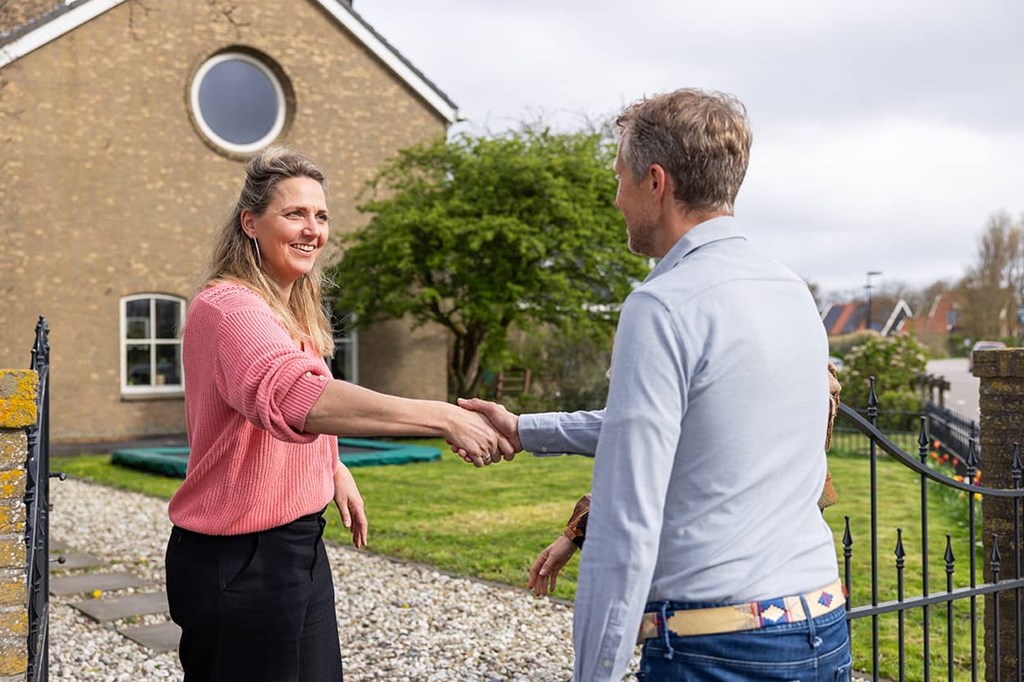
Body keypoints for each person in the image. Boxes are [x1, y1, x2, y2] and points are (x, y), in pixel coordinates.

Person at [461, 89, 851, 681]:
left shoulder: (663, 305)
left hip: (721, 650)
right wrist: (524, 429)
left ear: (655, 182)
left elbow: (626, 522)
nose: (616, 198)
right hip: (821, 629)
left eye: (620, 178)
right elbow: (691, 422)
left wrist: (594, 672)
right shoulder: (791, 291)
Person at [165, 147, 510, 682]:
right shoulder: (229, 309)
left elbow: (303, 404)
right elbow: (295, 396)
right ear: (250, 223)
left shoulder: (289, 310)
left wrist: (332, 467)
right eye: (294, 214)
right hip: (238, 559)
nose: (313, 230)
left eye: (321, 216)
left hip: (295, 545)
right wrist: (443, 416)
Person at [526, 363, 844, 599]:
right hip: (812, 599)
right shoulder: (782, 368)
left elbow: (643, 451)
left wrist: (518, 430)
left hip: (731, 606)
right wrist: (574, 533)